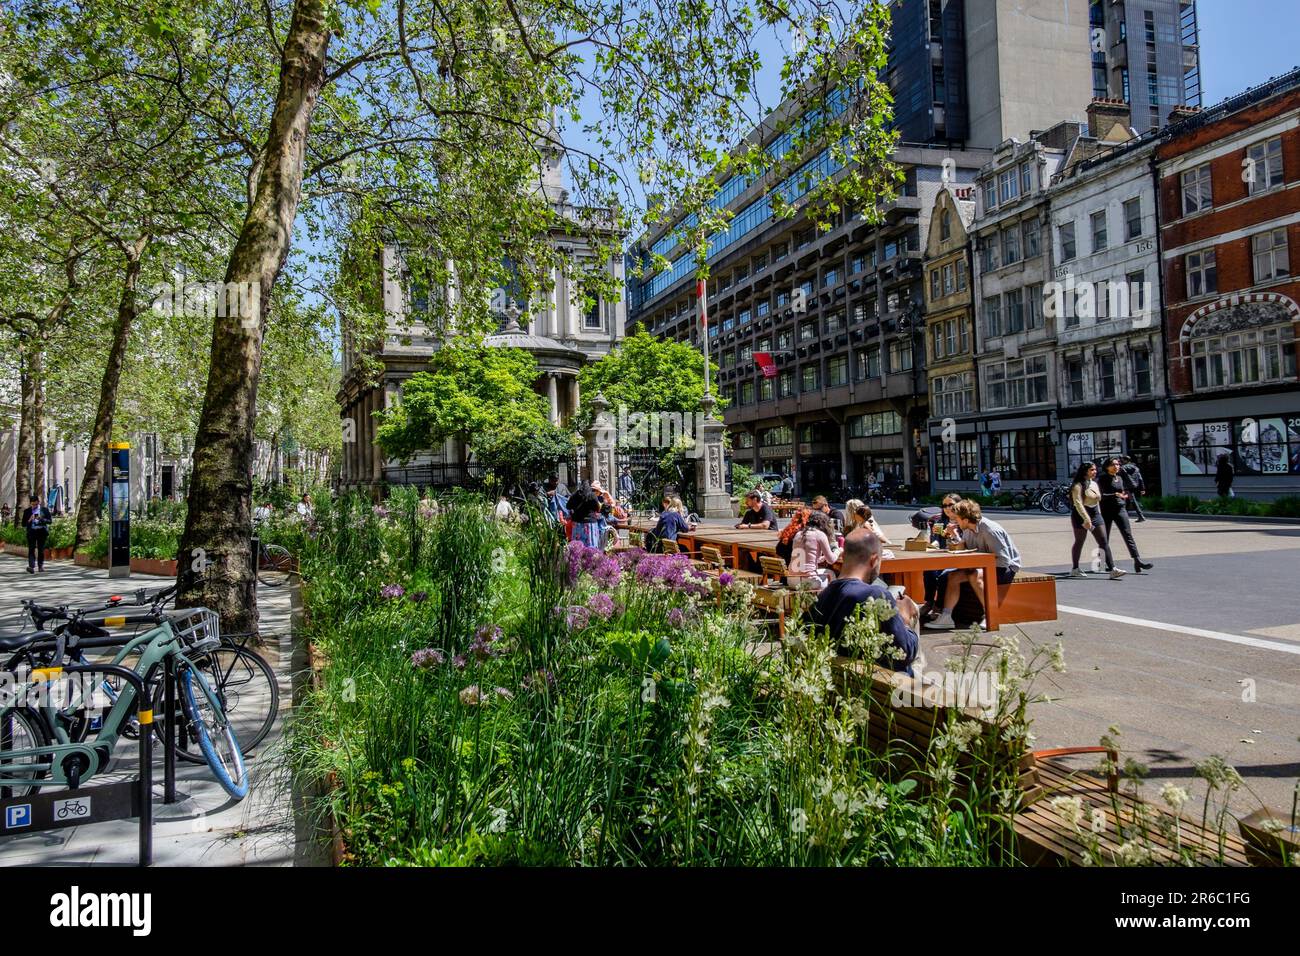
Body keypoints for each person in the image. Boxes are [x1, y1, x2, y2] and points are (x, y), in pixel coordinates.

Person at [808, 529, 920, 675]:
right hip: (877, 688)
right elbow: (903, 654)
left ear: (842, 556)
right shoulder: (876, 595)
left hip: (837, 683)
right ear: (874, 560)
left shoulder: (821, 597)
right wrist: (904, 619)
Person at [924, 500, 1021, 631]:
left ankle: (989, 615)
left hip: (1006, 568)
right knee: (952, 576)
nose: (955, 521)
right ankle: (946, 617)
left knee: (975, 575)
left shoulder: (990, 530)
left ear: (965, 519)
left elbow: (1003, 560)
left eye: (957, 518)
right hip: (983, 566)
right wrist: (954, 535)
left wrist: (977, 565)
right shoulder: (968, 529)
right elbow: (965, 547)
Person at [1067, 461, 1122, 580]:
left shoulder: (1094, 483)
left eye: (1095, 469)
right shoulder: (1078, 485)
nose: (1095, 472)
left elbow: (1097, 501)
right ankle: (1075, 569)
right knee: (1079, 541)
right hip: (1080, 515)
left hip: (1095, 514)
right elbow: (1078, 504)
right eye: (1092, 470)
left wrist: (1099, 516)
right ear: (1085, 471)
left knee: (1103, 541)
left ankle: (1113, 569)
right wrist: (1086, 519)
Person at [1099, 457, 1153, 574]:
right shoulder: (1103, 478)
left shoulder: (1119, 477)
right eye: (1113, 464)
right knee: (1104, 538)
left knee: (1128, 535)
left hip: (1120, 509)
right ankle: (1103, 562)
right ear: (1107, 467)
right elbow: (1102, 494)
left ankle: (1137, 561)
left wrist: (1123, 495)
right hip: (1106, 510)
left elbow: (1124, 490)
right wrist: (1116, 494)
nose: (1116, 466)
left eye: (1118, 464)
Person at [790, 510, 842, 589]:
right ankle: (830, 600)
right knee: (830, 573)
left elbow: (807, 559)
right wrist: (838, 550)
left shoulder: (798, 534)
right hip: (808, 581)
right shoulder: (819, 534)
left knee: (826, 572)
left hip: (791, 580)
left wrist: (822, 558)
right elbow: (831, 560)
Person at [567, 480, 608, 549]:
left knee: (577, 549)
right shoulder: (592, 495)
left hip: (577, 524)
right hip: (590, 524)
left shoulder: (575, 495)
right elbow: (597, 508)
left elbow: (568, 506)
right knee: (591, 548)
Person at [22, 495, 52, 573]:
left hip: (41, 532)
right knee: (31, 549)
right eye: (32, 504)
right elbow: (23, 524)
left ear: (38, 502)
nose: (34, 506)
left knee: (41, 550)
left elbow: (50, 521)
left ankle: (40, 566)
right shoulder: (27, 511)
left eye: (36, 504)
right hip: (32, 532)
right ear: (30, 504)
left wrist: (41, 519)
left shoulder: (44, 510)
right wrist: (29, 520)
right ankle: (31, 567)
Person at [1120, 456, 1147, 522]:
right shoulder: (1136, 468)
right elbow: (1140, 478)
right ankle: (1125, 517)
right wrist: (1142, 488)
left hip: (1126, 487)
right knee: (1128, 501)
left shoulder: (1122, 468)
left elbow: (1120, 477)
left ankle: (1141, 516)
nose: (1121, 461)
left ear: (1125, 460)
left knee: (1132, 501)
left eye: (1122, 460)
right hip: (1134, 486)